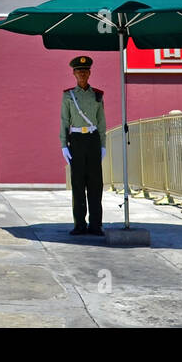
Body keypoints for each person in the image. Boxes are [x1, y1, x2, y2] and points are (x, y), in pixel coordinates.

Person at [60, 55, 106, 235]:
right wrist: (64, 144)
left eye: (85, 71)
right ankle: (79, 223)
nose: (82, 74)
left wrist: (103, 145)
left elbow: (101, 121)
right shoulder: (68, 96)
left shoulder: (97, 95)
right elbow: (64, 120)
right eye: (79, 71)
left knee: (96, 184)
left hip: (93, 139)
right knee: (78, 184)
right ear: (73, 73)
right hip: (77, 140)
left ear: (90, 73)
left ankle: (96, 224)